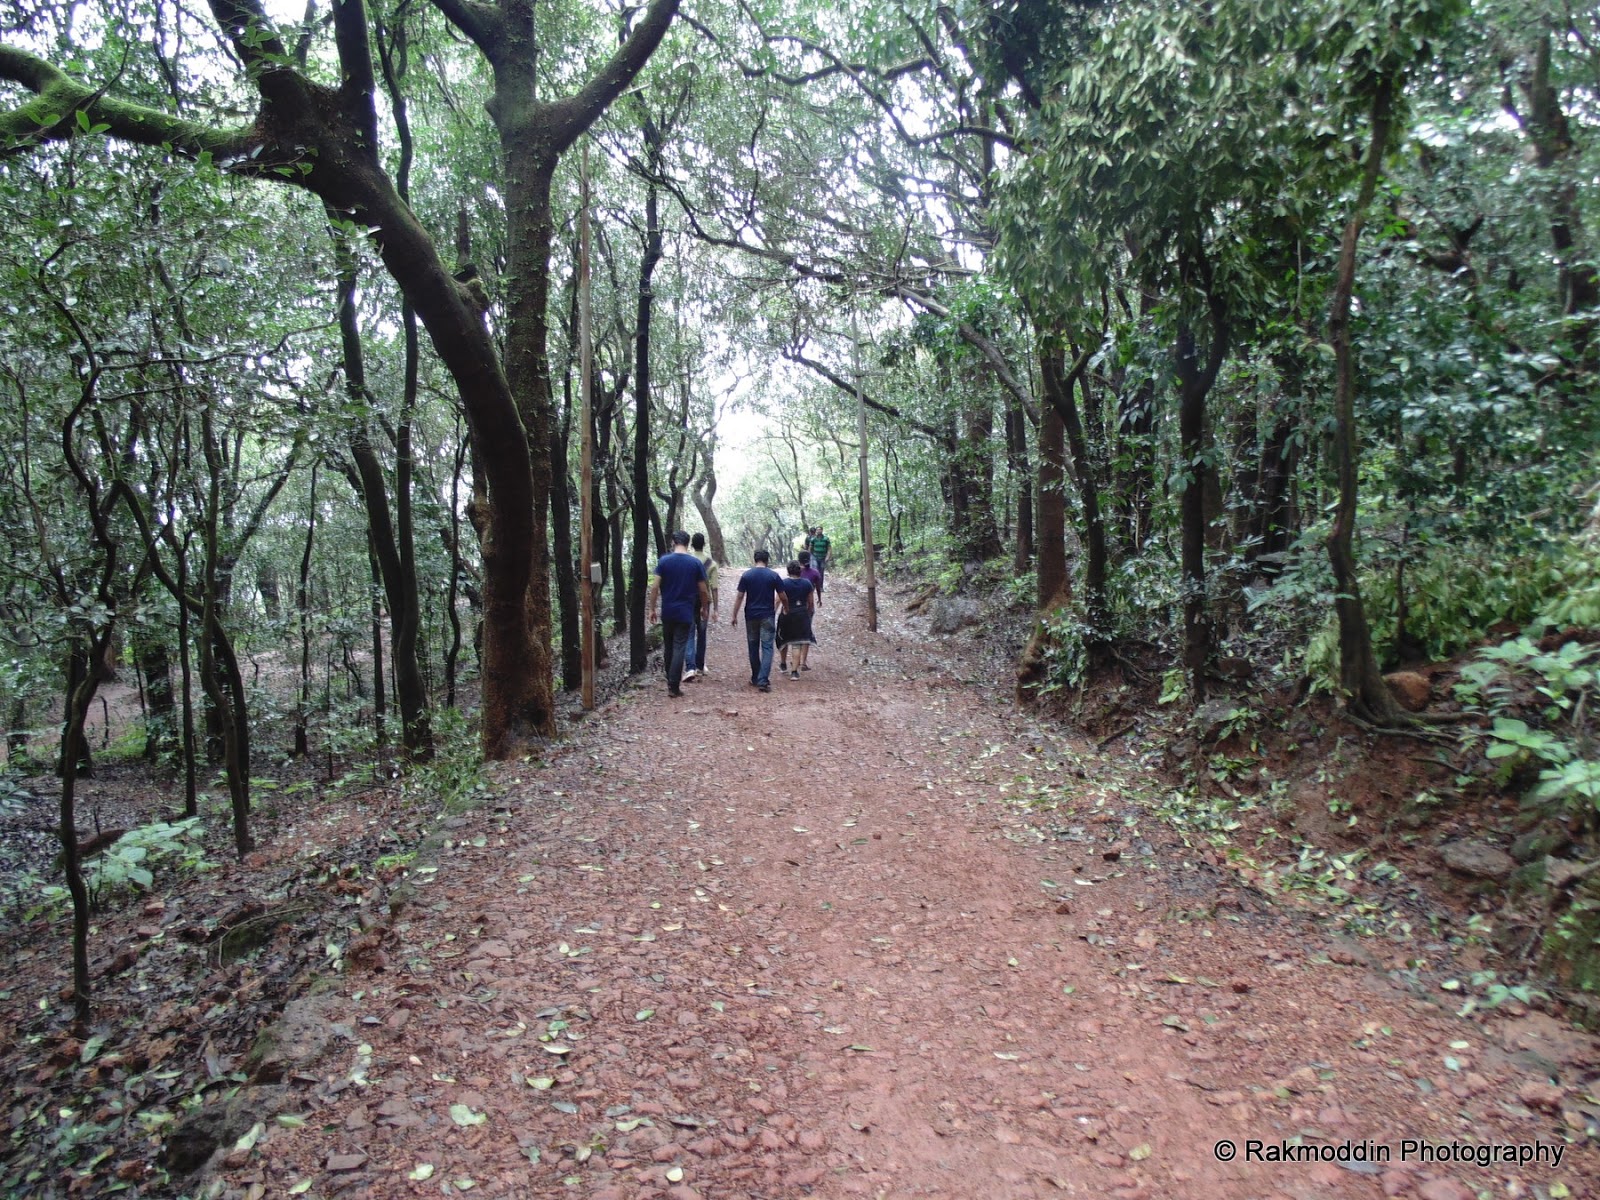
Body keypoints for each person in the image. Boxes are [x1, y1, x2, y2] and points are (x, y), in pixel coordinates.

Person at [646, 531, 709, 698]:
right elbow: (703, 589)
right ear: (687, 543)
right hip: (685, 611)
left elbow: (654, 587)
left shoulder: (664, 561)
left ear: (674, 542)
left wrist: (652, 609)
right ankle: (673, 685)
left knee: (669, 646)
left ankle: (670, 680)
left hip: (668, 610)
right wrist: (704, 607)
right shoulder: (695, 563)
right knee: (680, 645)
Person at [729, 549, 788, 692]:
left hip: (751, 615)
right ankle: (763, 680)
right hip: (767, 615)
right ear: (767, 560)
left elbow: (739, 596)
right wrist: (786, 608)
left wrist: (734, 615)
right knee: (767, 647)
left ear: (754, 559)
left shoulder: (747, 575)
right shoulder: (773, 576)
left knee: (753, 646)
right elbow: (783, 595)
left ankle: (756, 676)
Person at [683, 532, 719, 680]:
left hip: (688, 599)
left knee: (689, 632)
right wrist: (716, 608)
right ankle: (700, 665)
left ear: (691, 544)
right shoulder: (711, 564)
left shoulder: (686, 561)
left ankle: (690, 667)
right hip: (706, 601)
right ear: (704, 545)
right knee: (702, 632)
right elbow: (714, 587)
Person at [776, 561, 816, 679]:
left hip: (787, 614)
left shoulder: (783, 583)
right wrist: (808, 615)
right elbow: (811, 602)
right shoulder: (807, 584)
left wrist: (773, 612)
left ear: (788, 570)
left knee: (784, 640)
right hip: (801, 614)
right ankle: (794, 672)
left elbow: (778, 600)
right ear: (800, 571)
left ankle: (783, 664)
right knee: (797, 643)